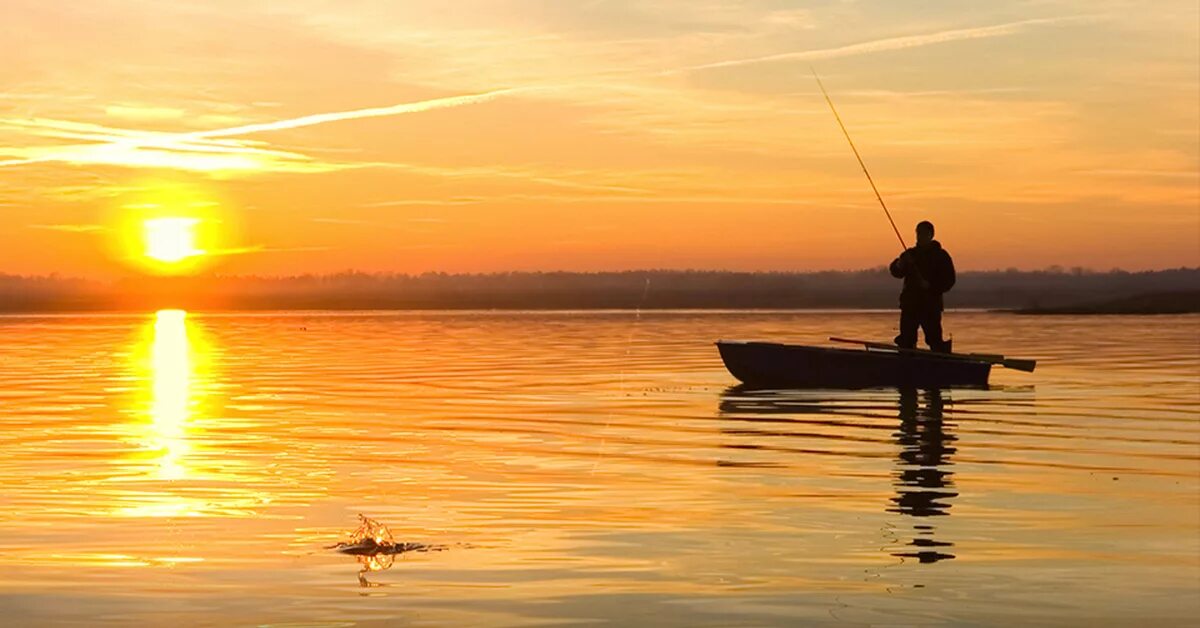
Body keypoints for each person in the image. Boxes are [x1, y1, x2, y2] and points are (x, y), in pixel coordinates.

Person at [889, 221, 955, 352]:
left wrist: (930, 286)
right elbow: (896, 272)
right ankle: (906, 363)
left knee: (934, 340)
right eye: (918, 233)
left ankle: (941, 363)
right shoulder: (909, 254)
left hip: (931, 306)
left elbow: (949, 280)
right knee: (906, 339)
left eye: (924, 234)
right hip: (910, 305)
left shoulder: (941, 256)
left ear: (931, 235)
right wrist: (899, 264)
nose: (920, 236)